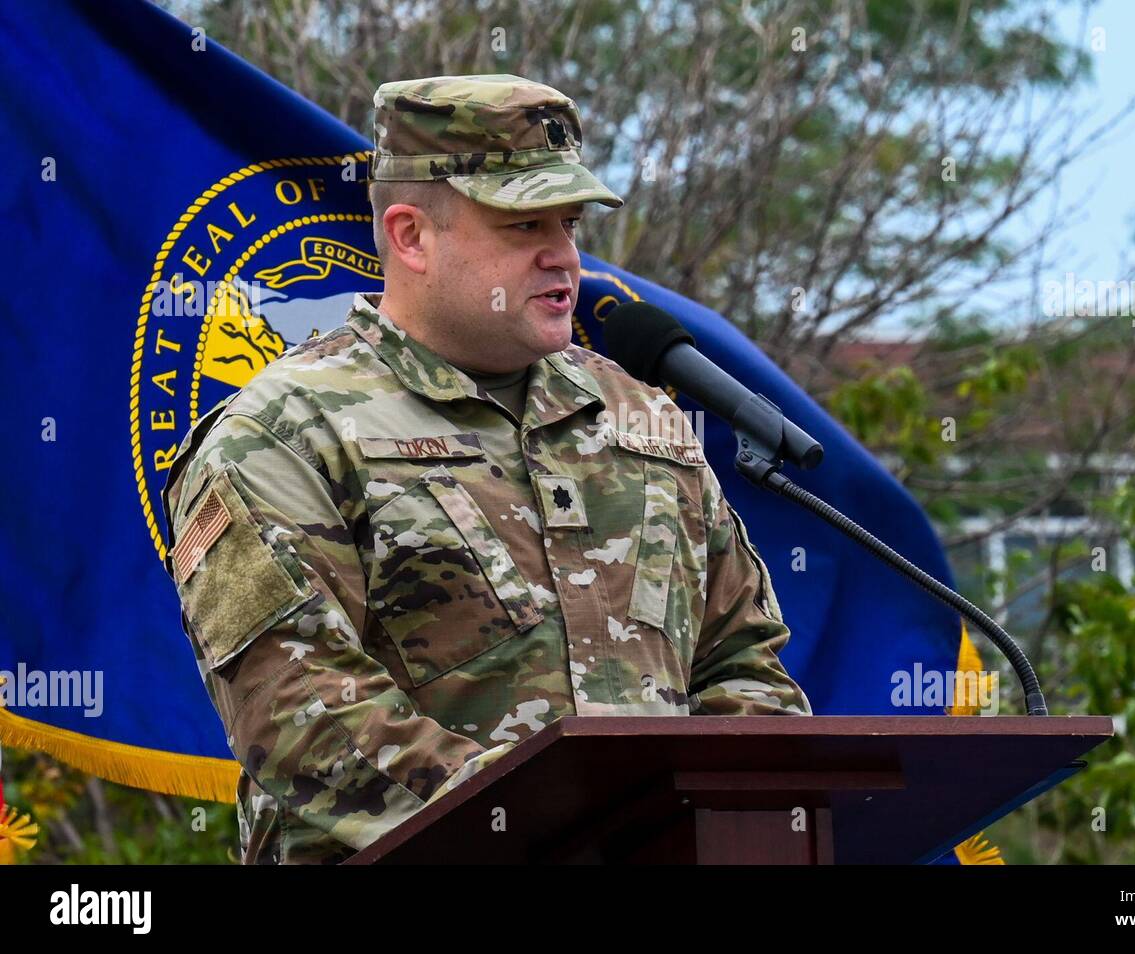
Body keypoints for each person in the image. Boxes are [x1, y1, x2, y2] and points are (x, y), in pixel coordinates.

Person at [162, 74, 812, 865]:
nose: (563, 255)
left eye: (569, 223)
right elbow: (301, 714)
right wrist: (560, 839)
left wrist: (729, 820)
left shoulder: (643, 420)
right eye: (523, 223)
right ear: (410, 236)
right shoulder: (281, 434)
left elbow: (742, 661)